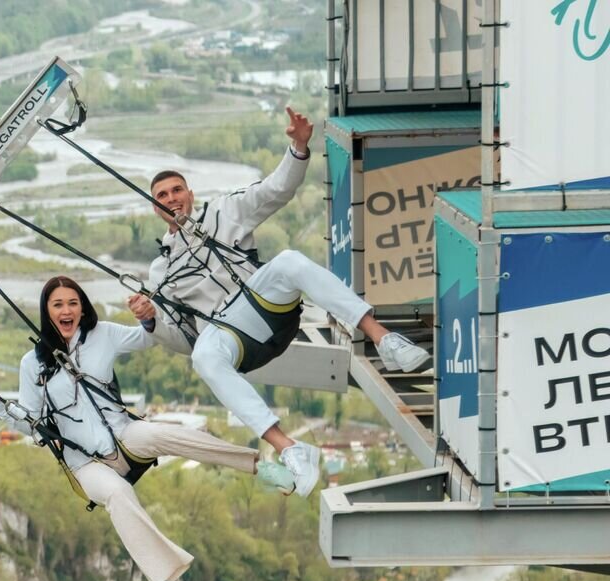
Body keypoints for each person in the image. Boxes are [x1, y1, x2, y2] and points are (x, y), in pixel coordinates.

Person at [127, 106, 429, 498]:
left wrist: (299, 147)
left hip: (263, 305)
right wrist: (151, 320)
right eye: (163, 196)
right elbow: (181, 340)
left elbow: (275, 190)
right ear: (156, 208)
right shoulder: (160, 271)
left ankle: (382, 337)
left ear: (190, 194)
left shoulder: (224, 211)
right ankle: (289, 448)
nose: (172, 199)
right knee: (203, 356)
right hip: (231, 334)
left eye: (177, 190)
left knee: (288, 261)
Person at [0, 276, 299, 581]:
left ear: (82, 308)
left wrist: (148, 317)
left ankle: (260, 468)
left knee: (165, 433)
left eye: (72, 303)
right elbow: (30, 423)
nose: (66, 311)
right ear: (46, 311)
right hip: (85, 462)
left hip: (123, 433)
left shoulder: (102, 335)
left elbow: (146, 338)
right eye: (58, 305)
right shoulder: (33, 363)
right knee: (118, 494)